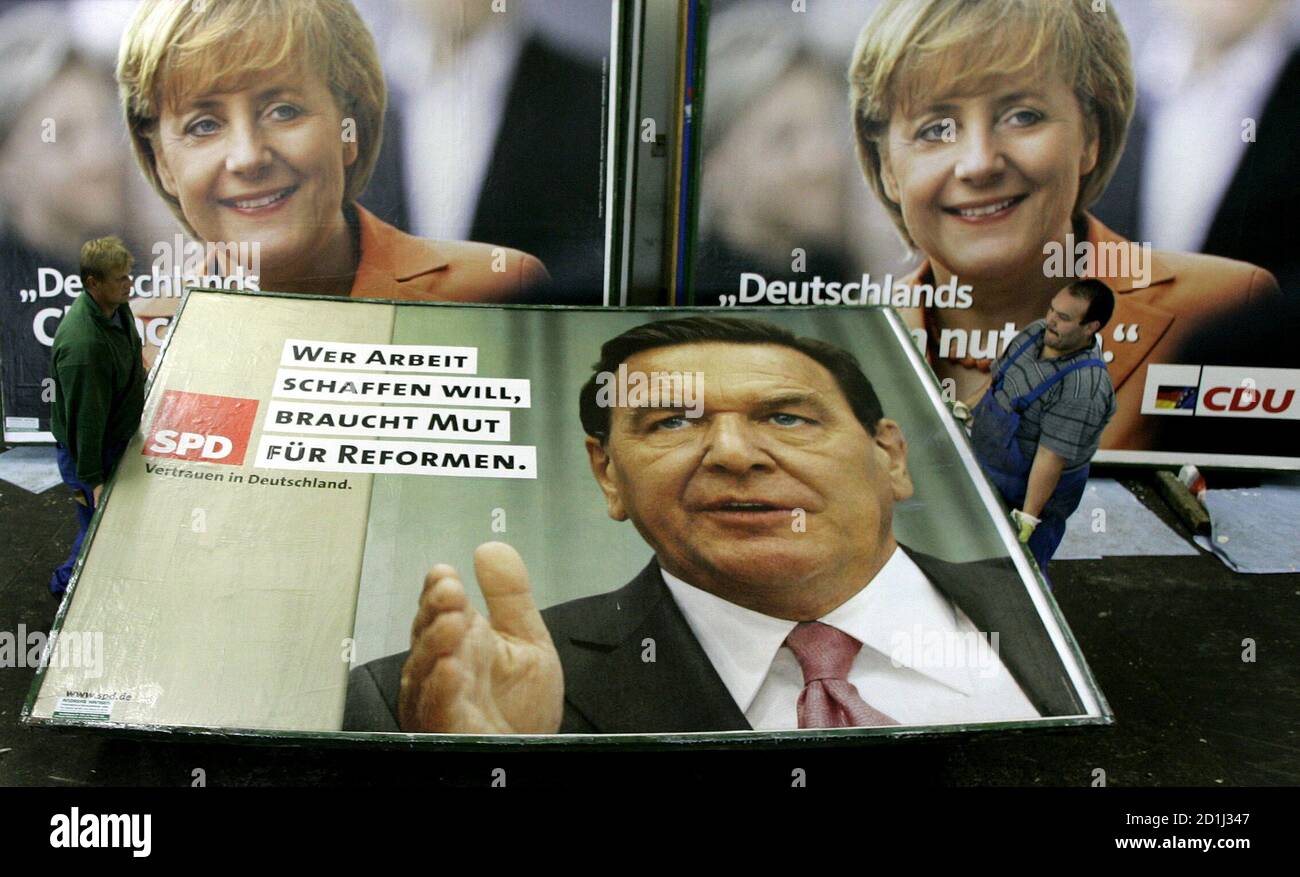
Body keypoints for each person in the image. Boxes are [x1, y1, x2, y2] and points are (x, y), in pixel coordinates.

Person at [345, 316, 1087, 734]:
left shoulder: (1063, 614)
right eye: (671, 421)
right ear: (609, 473)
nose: (732, 455)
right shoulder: (421, 700)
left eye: (786, 416)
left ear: (890, 456)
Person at [847, 0, 1284, 453]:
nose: (978, 163)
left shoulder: (1220, 308)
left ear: (1090, 137)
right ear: (886, 168)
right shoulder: (833, 350)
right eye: (936, 129)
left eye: (1022, 116)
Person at [116, 0, 549, 303]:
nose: (248, 157)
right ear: (160, 163)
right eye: (204, 125)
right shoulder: (140, 348)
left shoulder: (494, 289)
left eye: (283, 111)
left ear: (350, 129)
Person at [970, 279, 1116, 574]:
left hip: (1030, 491)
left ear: (1091, 327)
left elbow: (1051, 457)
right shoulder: (1035, 332)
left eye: (1063, 318)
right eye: (1052, 309)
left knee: (1018, 576)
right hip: (990, 468)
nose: (1050, 320)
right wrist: (967, 406)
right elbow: (999, 381)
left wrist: (1029, 516)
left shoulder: (1082, 388)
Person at [48, 236, 145, 596]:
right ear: (93, 283)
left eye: (128, 276)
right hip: (89, 454)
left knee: (111, 525)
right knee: (96, 532)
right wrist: (93, 479)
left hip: (112, 438)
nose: (128, 284)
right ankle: (64, 588)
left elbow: (130, 347)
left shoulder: (115, 308)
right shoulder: (84, 347)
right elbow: (85, 423)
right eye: (120, 279)